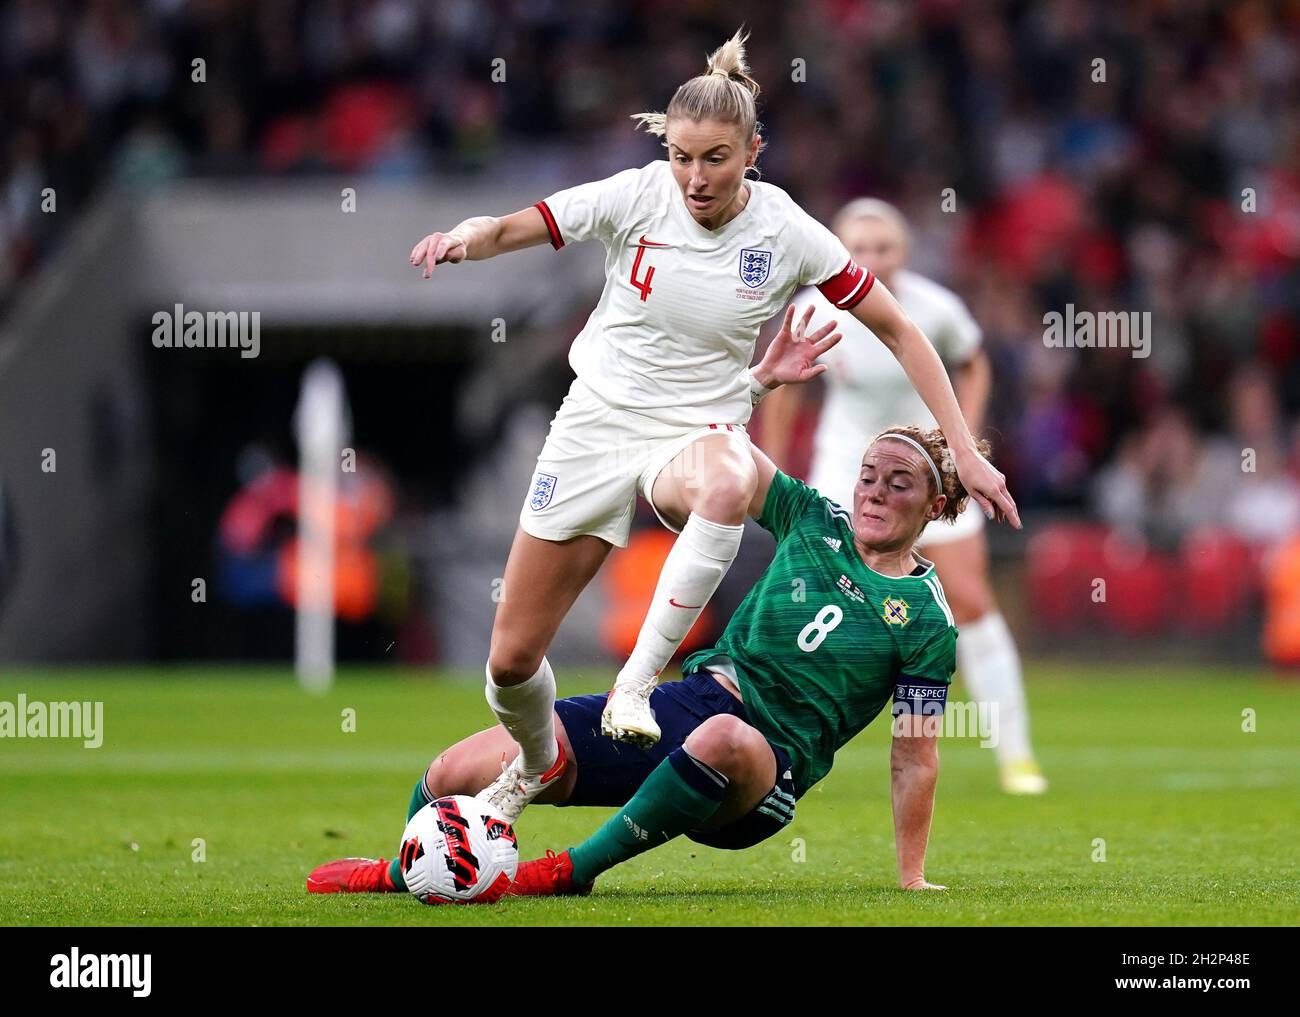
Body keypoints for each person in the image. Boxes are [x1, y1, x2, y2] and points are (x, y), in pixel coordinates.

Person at [405, 30, 1018, 828]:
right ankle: (533, 763)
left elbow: (903, 330)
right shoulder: (635, 196)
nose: (695, 177)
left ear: (753, 149)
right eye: (684, 156)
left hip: (691, 434)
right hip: (594, 425)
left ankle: (636, 683)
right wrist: (463, 239)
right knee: (511, 662)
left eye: (716, 158)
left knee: (730, 477)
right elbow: (515, 224)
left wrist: (964, 450)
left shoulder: (788, 231)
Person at [307, 425, 979, 897]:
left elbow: (914, 755)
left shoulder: (927, 620)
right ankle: (405, 873)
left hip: (765, 768)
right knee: (461, 766)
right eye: (869, 477)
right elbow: (733, 456)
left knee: (723, 738)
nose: (874, 493)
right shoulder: (814, 518)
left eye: (899, 485)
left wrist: (912, 875)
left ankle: (570, 871)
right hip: (680, 705)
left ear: (938, 505)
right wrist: (766, 379)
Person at [761, 199, 1045, 794]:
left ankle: (1015, 754)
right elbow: (786, 391)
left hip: (927, 474)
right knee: (809, 603)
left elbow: (973, 364)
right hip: (847, 468)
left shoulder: (936, 309)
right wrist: (773, 460)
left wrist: (961, 443)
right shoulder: (814, 309)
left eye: (882, 247)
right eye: (857, 248)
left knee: (968, 599)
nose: (870, 259)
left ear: (904, 252)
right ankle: (775, 743)